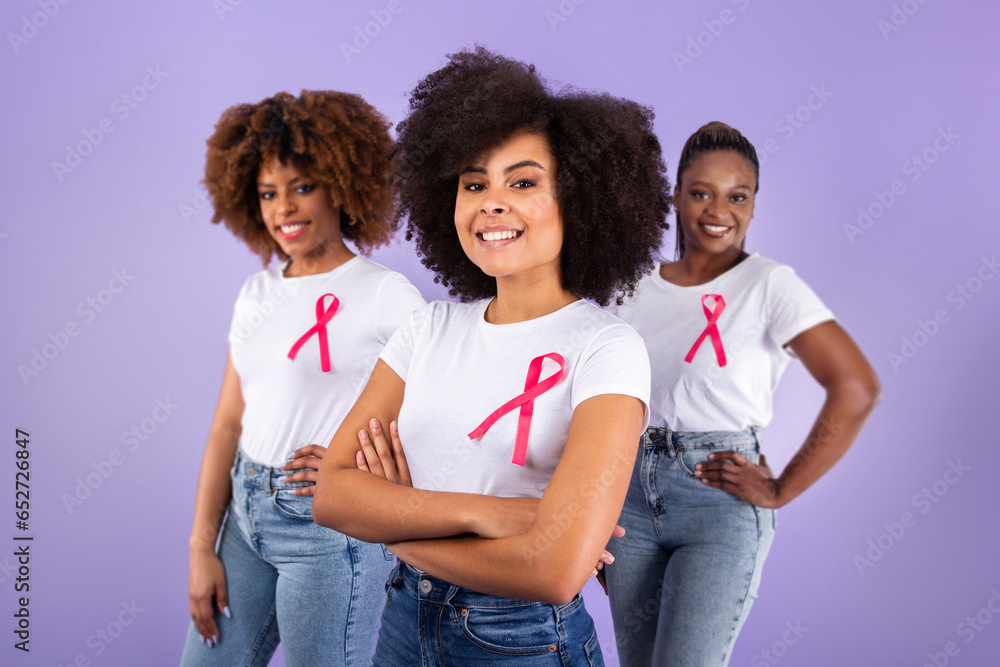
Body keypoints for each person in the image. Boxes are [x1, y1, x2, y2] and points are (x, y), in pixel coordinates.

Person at [312, 47, 672, 665]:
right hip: (401, 622)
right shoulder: (426, 329)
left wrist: (395, 525)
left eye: (523, 182)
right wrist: (495, 514)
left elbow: (555, 571)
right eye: (474, 183)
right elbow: (332, 497)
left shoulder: (607, 350)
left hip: (522, 640)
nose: (491, 202)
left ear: (579, 201)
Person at [604, 121, 882, 666]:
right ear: (676, 196)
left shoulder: (769, 286)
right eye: (701, 193)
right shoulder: (631, 285)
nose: (718, 211)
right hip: (626, 500)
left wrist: (781, 488)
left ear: (754, 206)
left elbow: (856, 388)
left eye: (738, 196)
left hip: (717, 500)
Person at [180, 90, 425, 666]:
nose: (283, 208)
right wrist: (200, 549)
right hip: (244, 515)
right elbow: (226, 426)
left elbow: (439, 413)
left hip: (328, 532)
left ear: (342, 182)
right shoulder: (257, 293)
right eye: (268, 193)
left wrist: (368, 470)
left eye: (302, 186)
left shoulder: (387, 296)